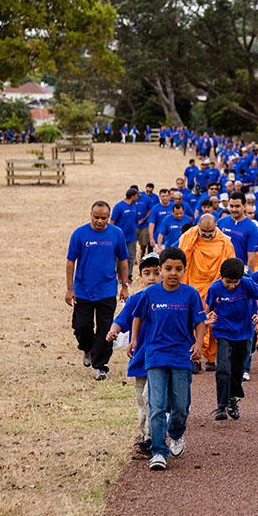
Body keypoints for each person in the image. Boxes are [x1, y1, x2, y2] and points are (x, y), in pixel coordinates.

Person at [130, 248, 207, 471]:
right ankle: (158, 451)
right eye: (168, 268)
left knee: (180, 406)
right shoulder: (150, 294)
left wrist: (198, 343)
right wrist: (134, 340)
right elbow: (137, 316)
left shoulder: (190, 294)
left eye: (178, 269)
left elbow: (200, 322)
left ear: (184, 270)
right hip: (155, 356)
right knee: (156, 405)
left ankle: (176, 433)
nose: (173, 273)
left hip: (181, 356)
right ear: (161, 270)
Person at [66, 201, 130, 381]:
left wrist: (124, 285)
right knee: (82, 327)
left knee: (105, 330)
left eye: (104, 218)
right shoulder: (79, 234)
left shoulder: (117, 234)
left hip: (107, 291)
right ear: (91, 215)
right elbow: (70, 261)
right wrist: (70, 289)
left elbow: (123, 260)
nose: (100, 221)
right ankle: (87, 347)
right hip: (83, 291)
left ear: (109, 217)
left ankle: (100, 366)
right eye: (96, 217)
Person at [106, 253, 161, 458]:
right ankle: (145, 434)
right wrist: (113, 331)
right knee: (141, 401)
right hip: (140, 358)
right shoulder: (136, 299)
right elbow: (121, 320)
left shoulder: (171, 299)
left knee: (150, 397)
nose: (152, 277)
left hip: (161, 358)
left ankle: (152, 438)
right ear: (140, 275)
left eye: (156, 272)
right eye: (147, 273)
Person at [206, 258, 258, 421]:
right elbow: (208, 308)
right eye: (228, 282)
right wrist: (208, 318)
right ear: (221, 277)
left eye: (235, 282)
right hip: (223, 332)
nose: (232, 286)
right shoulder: (215, 288)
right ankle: (221, 406)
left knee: (237, 369)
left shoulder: (246, 284)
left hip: (244, 332)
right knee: (223, 369)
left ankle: (232, 400)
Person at [179, 215, 236, 372]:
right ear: (198, 225)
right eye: (203, 231)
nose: (206, 235)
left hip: (215, 289)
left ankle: (211, 358)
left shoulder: (225, 242)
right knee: (193, 322)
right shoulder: (189, 237)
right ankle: (194, 359)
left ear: (216, 226)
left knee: (214, 322)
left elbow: (230, 264)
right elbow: (181, 260)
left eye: (210, 232)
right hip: (194, 288)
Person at [217, 191, 258, 267]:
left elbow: (251, 257)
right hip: (219, 268)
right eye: (231, 206)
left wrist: (247, 273)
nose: (234, 209)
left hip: (239, 270)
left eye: (237, 206)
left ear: (245, 206)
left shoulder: (252, 228)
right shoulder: (220, 222)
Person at [110, 188, 140, 279]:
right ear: (132, 196)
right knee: (119, 257)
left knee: (131, 256)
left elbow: (135, 220)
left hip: (132, 237)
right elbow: (112, 221)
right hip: (120, 238)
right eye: (137, 196)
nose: (138, 197)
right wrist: (112, 235)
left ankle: (128, 276)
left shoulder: (135, 206)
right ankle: (118, 276)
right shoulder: (119, 206)